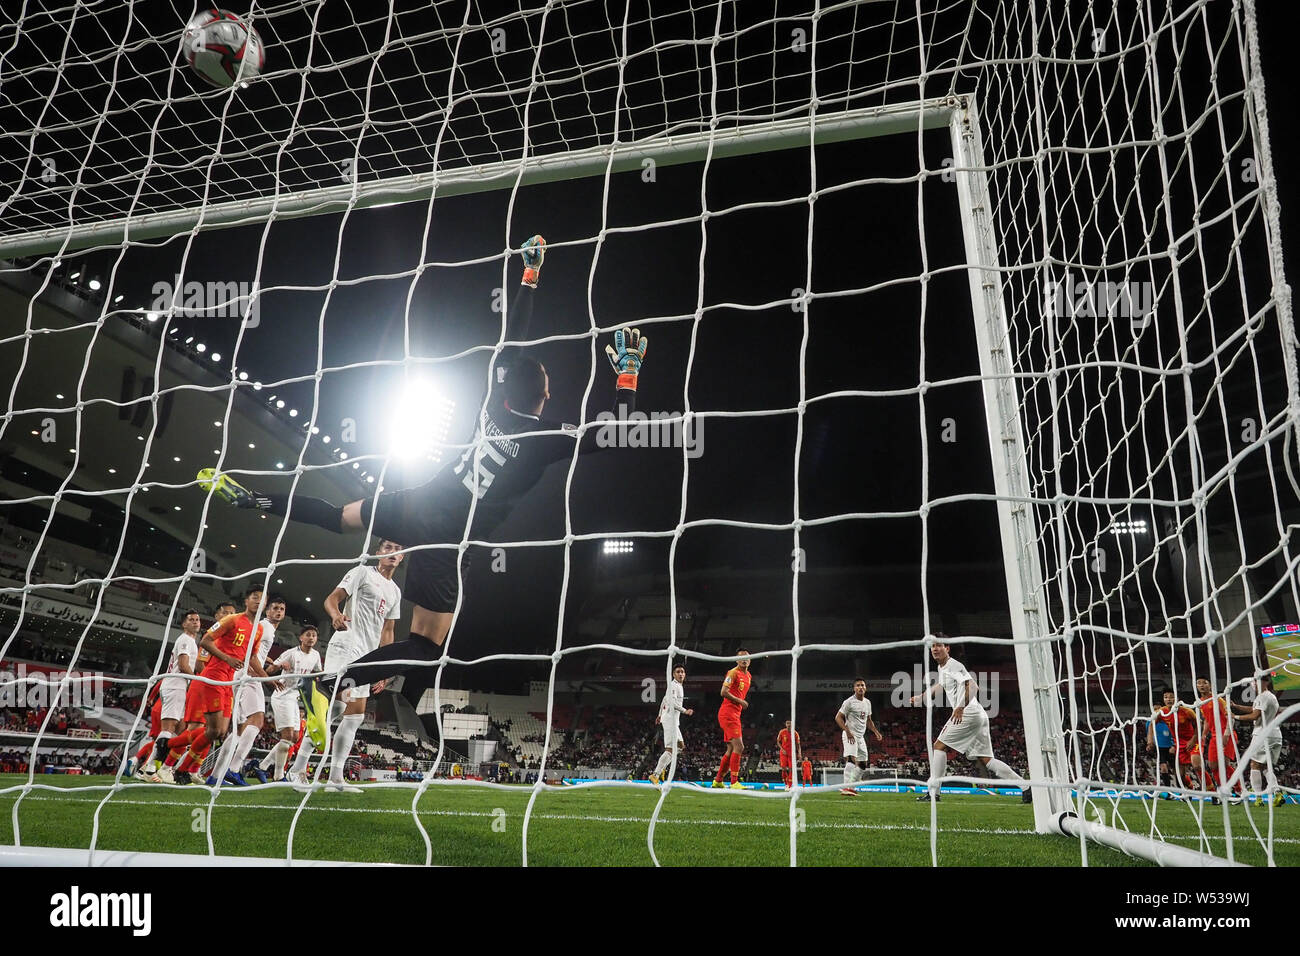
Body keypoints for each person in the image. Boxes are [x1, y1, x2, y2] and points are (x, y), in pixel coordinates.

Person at [197, 237, 647, 711]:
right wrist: (627, 377)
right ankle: (331, 683)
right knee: (426, 647)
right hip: (449, 541)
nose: (551, 396)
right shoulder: (541, 441)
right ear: (543, 397)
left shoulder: (494, 399)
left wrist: (529, 277)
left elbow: (512, 337)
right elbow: (612, 434)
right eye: (550, 391)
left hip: (419, 501)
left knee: (334, 515)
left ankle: (253, 500)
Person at [298, 540, 403, 794]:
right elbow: (332, 599)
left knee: (354, 718)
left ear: (402, 558)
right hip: (346, 645)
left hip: (368, 656)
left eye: (397, 549)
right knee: (335, 707)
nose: (392, 552)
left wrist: (384, 668)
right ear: (378, 552)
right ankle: (297, 770)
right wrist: (335, 615)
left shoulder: (396, 592)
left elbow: (388, 631)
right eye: (387, 547)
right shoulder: (362, 572)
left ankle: (336, 778)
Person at [908, 636, 1031, 804]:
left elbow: (973, 686)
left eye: (939, 646)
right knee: (987, 760)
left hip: (968, 713)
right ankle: (1026, 787)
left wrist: (960, 707)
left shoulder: (954, 665)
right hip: (978, 714)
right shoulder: (943, 667)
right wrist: (921, 697)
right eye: (933, 647)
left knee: (939, 746)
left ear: (947, 648)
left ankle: (933, 793)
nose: (935, 649)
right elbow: (940, 686)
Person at [191, 588, 270, 787]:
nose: (258, 602)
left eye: (262, 600)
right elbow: (205, 642)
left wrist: (267, 677)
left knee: (226, 730)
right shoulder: (233, 619)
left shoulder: (260, 629)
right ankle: (182, 765)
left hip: (234, 679)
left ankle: (215, 775)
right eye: (254, 598)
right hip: (220, 677)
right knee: (223, 728)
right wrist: (228, 659)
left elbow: (252, 657)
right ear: (246, 601)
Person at [135, 609, 202, 780]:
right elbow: (184, 664)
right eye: (191, 620)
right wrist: (196, 682)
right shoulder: (185, 640)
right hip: (175, 685)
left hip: (177, 686)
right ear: (184, 624)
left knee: (179, 730)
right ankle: (148, 769)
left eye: (197, 619)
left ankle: (157, 767)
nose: (195, 622)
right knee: (169, 728)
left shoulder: (191, 641)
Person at [260, 625, 321, 781]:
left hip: (294, 698)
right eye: (308, 634)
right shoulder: (291, 653)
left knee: (293, 738)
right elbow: (269, 671)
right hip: (282, 696)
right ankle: (278, 776)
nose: (311, 638)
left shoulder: (316, 655)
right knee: (287, 736)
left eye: (314, 635)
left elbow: (317, 675)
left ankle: (262, 766)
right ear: (301, 638)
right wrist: (278, 670)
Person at [1231, 674, 1284, 805]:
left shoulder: (1262, 696)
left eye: (1257, 681)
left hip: (1262, 733)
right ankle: (1277, 794)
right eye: (1254, 682)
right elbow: (1255, 709)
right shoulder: (1271, 696)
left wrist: (1235, 716)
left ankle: (1258, 797)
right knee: (1266, 766)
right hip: (1275, 734)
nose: (1254, 684)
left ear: (1266, 682)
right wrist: (1237, 706)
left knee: (1254, 764)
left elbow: (1255, 715)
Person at [1190, 676, 1239, 798]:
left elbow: (1230, 717)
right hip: (1214, 737)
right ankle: (1223, 791)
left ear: (1210, 685)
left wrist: (1226, 735)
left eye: (1204, 683)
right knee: (1212, 766)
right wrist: (1204, 734)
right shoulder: (1201, 702)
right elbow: (1207, 719)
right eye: (1199, 683)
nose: (1201, 685)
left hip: (1225, 734)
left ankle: (1239, 790)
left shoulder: (1218, 699)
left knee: (1225, 765)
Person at [711, 649, 751, 789]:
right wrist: (740, 701)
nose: (744, 660)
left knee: (730, 749)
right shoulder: (733, 672)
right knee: (739, 747)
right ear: (736, 660)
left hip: (735, 714)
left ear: (750, 660)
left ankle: (718, 780)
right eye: (741, 658)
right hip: (728, 713)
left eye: (746, 657)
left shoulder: (749, 676)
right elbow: (723, 692)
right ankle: (734, 782)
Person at [836, 678, 882, 795]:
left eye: (862, 685)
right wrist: (847, 731)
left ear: (865, 688)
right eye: (858, 685)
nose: (860, 687)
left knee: (862, 764)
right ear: (854, 688)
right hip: (850, 735)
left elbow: (868, 720)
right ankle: (846, 787)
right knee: (851, 759)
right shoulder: (849, 702)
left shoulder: (867, 702)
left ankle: (851, 787)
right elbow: (838, 717)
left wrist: (876, 732)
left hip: (860, 737)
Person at [649, 664, 694, 785]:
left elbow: (664, 699)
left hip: (672, 720)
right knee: (670, 748)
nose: (680, 674)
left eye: (682, 672)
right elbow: (672, 702)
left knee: (680, 746)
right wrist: (685, 710)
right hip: (670, 720)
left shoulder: (677, 685)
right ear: (674, 674)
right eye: (678, 672)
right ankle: (655, 775)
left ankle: (661, 769)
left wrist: (659, 715)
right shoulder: (674, 686)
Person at [1146, 687, 1195, 793]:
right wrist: (1150, 742)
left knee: (1192, 768)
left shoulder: (1186, 711)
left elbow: (1199, 724)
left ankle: (1206, 791)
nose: (1169, 699)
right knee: (1171, 770)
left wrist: (1193, 740)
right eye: (1166, 697)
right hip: (1166, 747)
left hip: (1185, 743)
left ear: (1177, 699)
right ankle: (1175, 791)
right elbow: (1151, 725)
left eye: (1171, 697)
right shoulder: (1161, 713)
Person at [776, 720, 801, 789]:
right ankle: (786, 782)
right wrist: (782, 749)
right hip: (783, 753)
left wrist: (799, 753)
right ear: (785, 724)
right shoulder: (782, 732)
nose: (788, 724)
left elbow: (798, 745)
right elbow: (778, 742)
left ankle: (789, 785)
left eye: (790, 723)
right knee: (783, 768)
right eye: (787, 723)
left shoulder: (795, 733)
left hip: (792, 754)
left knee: (791, 769)